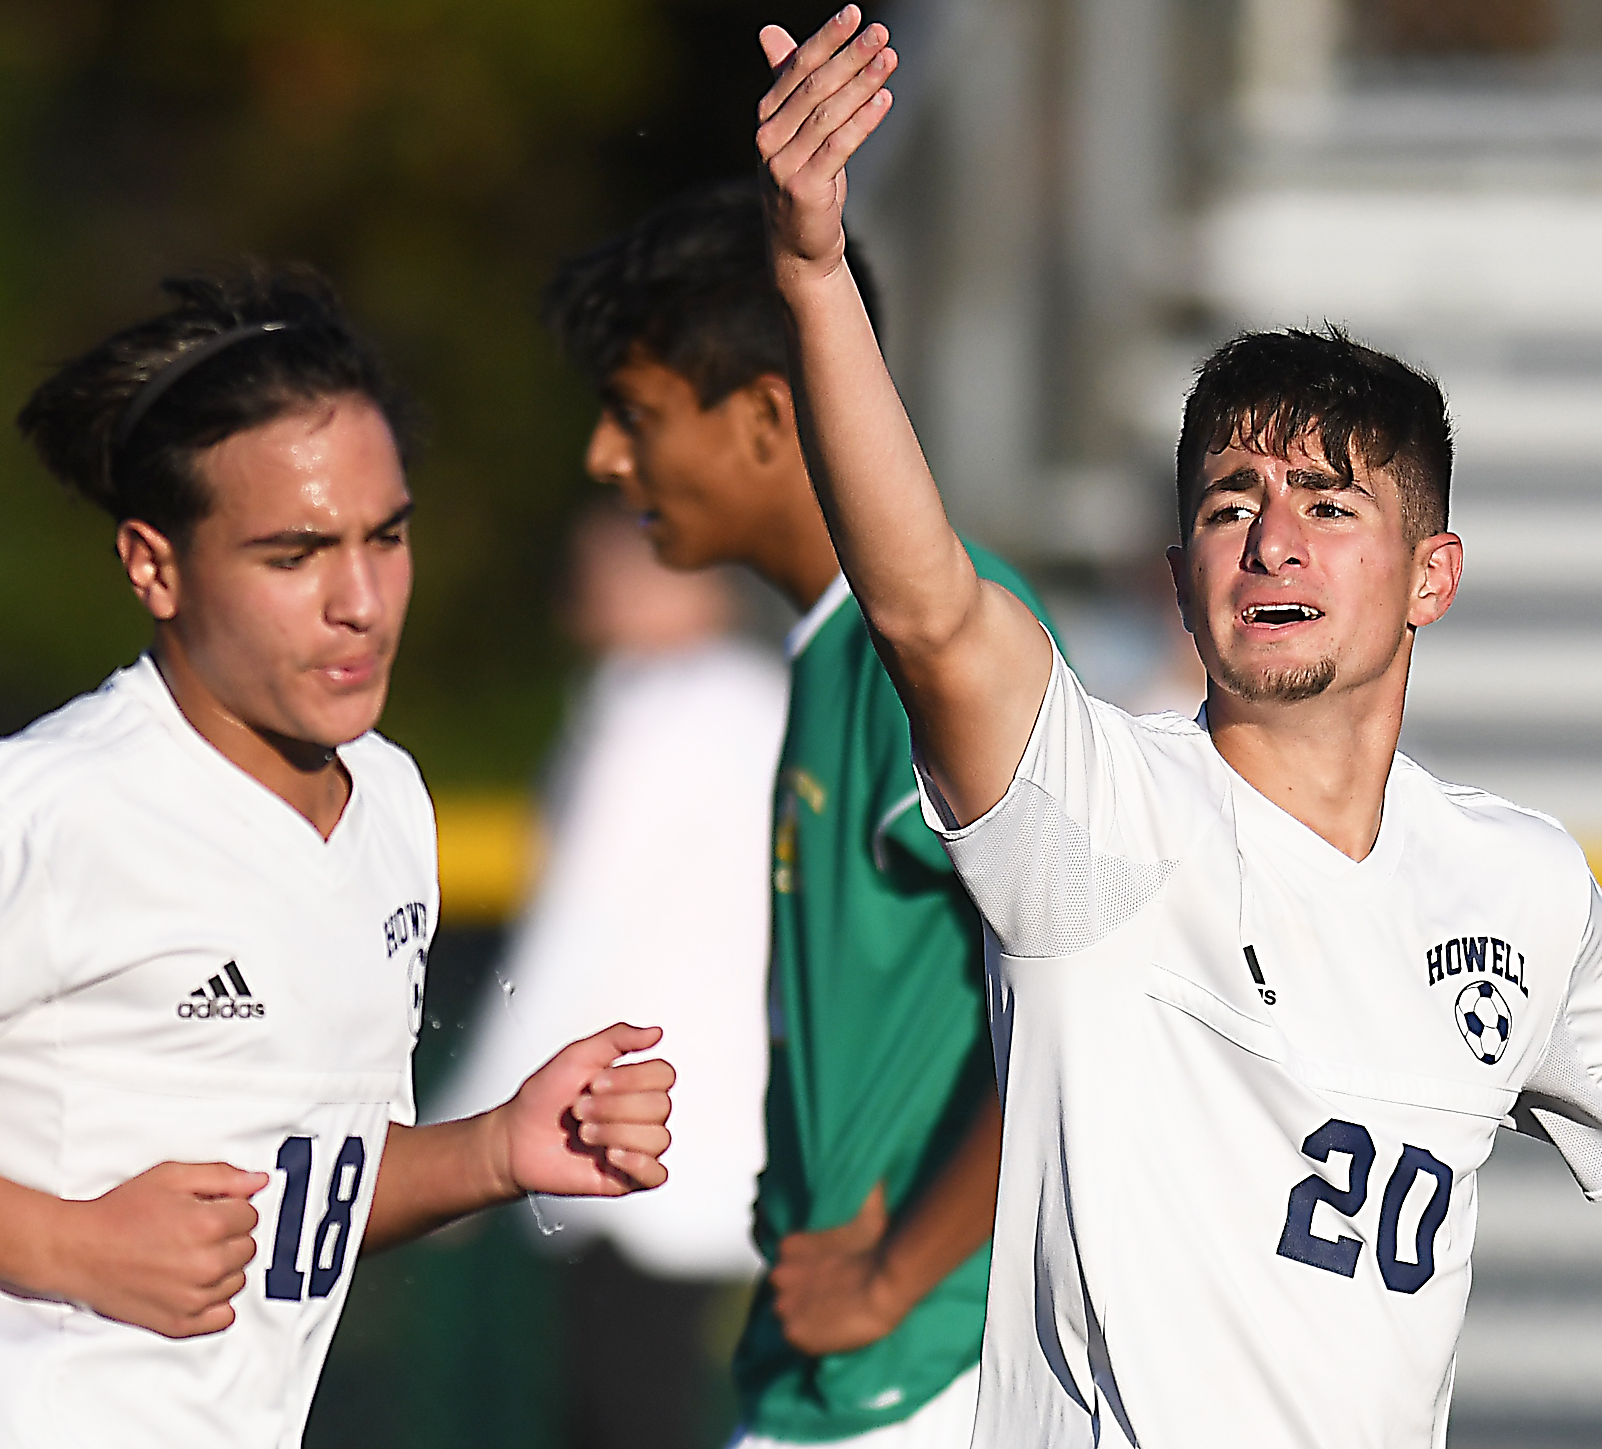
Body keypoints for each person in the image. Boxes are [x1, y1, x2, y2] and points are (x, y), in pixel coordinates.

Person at [750, 7, 1602, 1449]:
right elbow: (931, 611)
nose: (1272, 544)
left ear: (1430, 579)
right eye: (1227, 510)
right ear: (1179, 588)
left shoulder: (1512, 884)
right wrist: (816, 274)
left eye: (1329, 508)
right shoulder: (1092, 810)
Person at [0, 265, 677, 1449]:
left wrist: (495, 1149)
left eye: (387, 536)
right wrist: (67, 1246)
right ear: (154, 566)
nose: (359, 601)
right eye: (295, 553)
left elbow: (306, 1187)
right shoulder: (58, 807)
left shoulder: (392, 804)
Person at [543, 178, 1059, 1448]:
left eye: (637, 413)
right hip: (840, 1383)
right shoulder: (828, 651)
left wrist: (893, 1279)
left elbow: (1096, 990)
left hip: (922, 1380)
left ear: (771, 416)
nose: (606, 458)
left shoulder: (931, 651)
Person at [438, 501, 785, 1447]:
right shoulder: (765, 701)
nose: (592, 583)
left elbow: (576, 933)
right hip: (729, 1141)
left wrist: (453, 1141)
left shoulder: (651, 708)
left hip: (626, 1146)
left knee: (621, 1417)